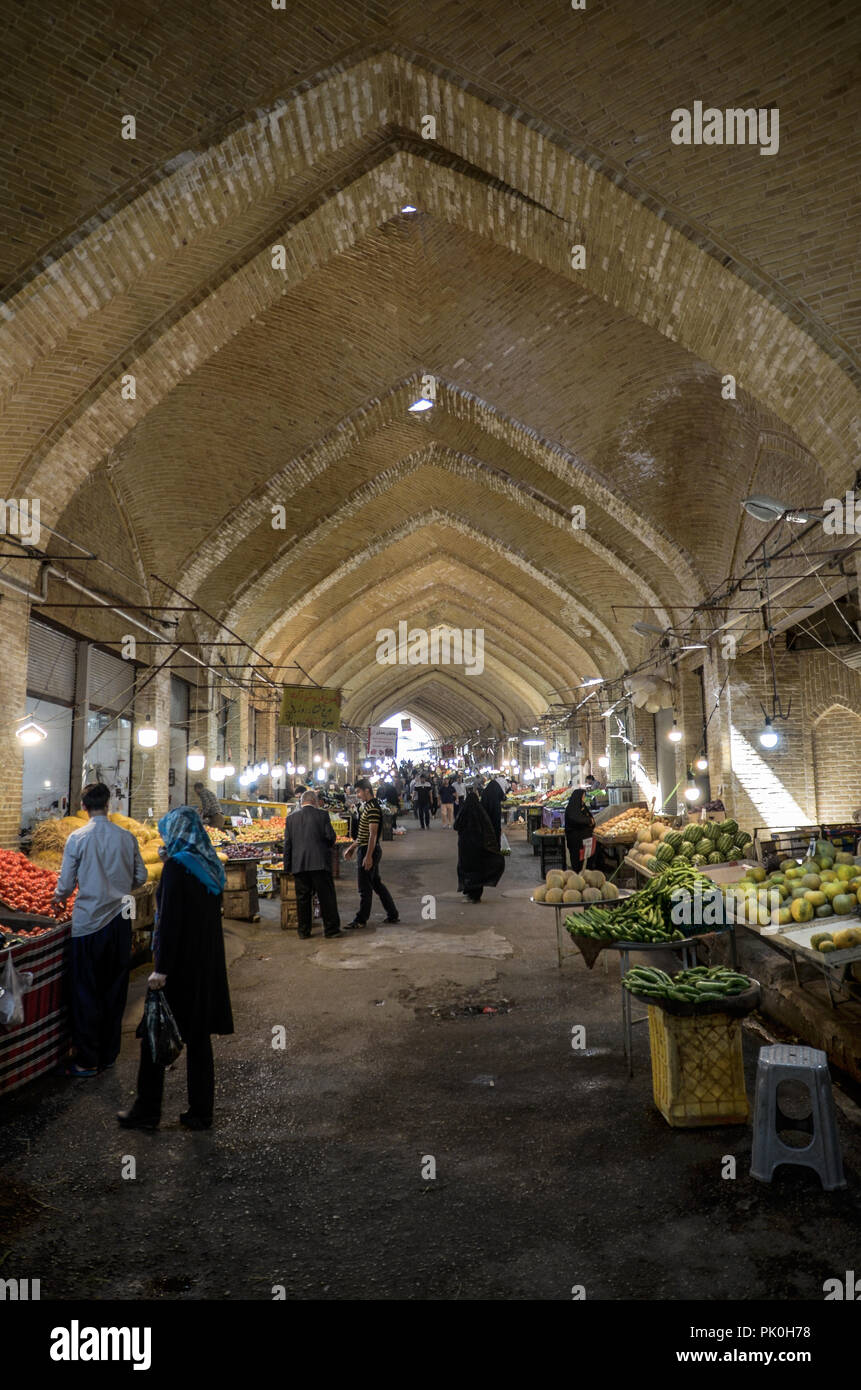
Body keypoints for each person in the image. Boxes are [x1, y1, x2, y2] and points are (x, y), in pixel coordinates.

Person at [118, 806, 233, 1132]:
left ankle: (147, 1110)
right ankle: (200, 1113)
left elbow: (168, 923)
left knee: (154, 1037)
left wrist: (161, 970)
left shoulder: (177, 868)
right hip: (205, 966)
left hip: (180, 969)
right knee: (198, 1041)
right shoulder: (209, 866)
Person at [53, 782, 147, 1079]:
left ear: (83, 807)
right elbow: (141, 877)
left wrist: (57, 897)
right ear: (109, 805)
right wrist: (119, 889)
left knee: (86, 991)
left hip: (88, 924)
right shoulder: (127, 837)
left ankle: (87, 1060)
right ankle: (109, 1055)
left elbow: (66, 885)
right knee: (115, 989)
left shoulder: (77, 838)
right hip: (119, 922)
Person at [283, 790, 343, 939]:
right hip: (320, 864)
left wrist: (287, 867)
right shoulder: (322, 815)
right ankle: (331, 930)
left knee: (302, 899)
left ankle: (304, 931)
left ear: (301, 802)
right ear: (315, 801)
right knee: (326, 898)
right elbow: (330, 837)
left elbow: (287, 845)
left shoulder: (290, 819)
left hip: (300, 866)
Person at [343, 778, 399, 928]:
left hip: (369, 850)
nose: (358, 795)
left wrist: (368, 856)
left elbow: (373, 835)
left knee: (365, 888)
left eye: (358, 792)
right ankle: (393, 914)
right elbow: (363, 835)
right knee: (376, 884)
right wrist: (352, 847)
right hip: (365, 848)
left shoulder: (373, 808)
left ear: (366, 791)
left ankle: (361, 919)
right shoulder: (367, 807)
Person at [454, 789, 505, 903]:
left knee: (467, 870)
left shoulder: (464, 812)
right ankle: (476, 895)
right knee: (478, 870)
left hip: (465, 848)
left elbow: (456, 826)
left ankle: (469, 893)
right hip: (478, 848)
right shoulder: (481, 813)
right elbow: (489, 830)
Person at [565, 787, 595, 873]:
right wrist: (589, 821)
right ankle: (577, 876)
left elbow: (589, 817)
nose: (584, 799)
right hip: (575, 839)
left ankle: (585, 874)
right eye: (583, 797)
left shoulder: (582, 806)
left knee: (586, 860)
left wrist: (590, 821)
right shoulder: (572, 808)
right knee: (577, 859)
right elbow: (576, 819)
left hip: (584, 838)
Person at [480, 775, 505, 848]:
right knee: (497, 828)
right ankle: (497, 845)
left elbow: (482, 802)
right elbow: (503, 797)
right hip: (496, 812)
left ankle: (489, 846)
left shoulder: (485, 791)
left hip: (487, 815)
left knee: (488, 829)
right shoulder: (497, 789)